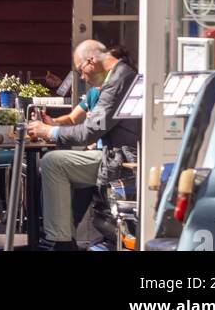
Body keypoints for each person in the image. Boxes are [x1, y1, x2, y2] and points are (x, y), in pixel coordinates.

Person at [26, 39, 139, 251]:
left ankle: (61, 242)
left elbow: (88, 132)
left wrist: (49, 131)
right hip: (112, 155)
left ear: (90, 61)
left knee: (53, 162)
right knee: (66, 161)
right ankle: (62, 234)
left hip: (122, 160)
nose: (82, 77)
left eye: (80, 71)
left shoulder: (118, 81)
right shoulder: (118, 77)